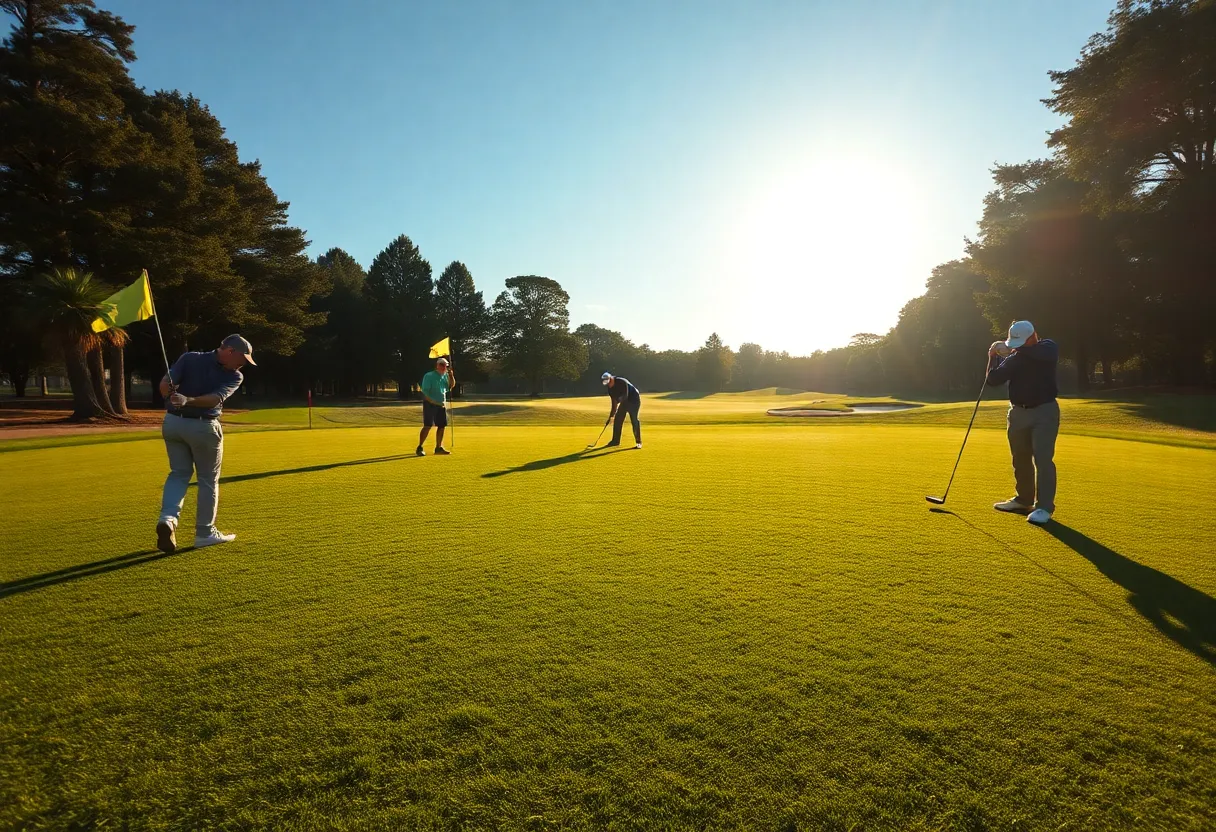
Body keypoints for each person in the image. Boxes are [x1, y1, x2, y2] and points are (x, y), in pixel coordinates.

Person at [156, 334, 255, 553]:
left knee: (179, 474)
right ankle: (205, 533)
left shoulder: (229, 373)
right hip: (203, 426)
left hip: (172, 424)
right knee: (208, 479)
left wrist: (182, 399)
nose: (242, 365)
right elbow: (167, 386)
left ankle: (168, 520)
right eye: (242, 359)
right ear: (228, 350)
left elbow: (166, 384)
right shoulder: (194, 359)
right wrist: (173, 395)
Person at [986, 320, 1059, 525]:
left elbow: (1042, 354)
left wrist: (1008, 348)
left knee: (1043, 460)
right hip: (1018, 413)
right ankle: (1023, 500)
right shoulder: (1015, 358)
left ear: (1032, 336)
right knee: (1020, 458)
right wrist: (993, 357)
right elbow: (993, 379)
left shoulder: (1048, 348)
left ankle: (1044, 507)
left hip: (1044, 412)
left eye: (1020, 342)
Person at [417, 356, 455, 456]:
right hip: (430, 404)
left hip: (441, 405)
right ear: (437, 366)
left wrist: (451, 376)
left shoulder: (446, 375)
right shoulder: (429, 376)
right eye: (441, 365)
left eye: (445, 365)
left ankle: (438, 447)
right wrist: (433, 402)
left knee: (441, 426)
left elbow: (451, 386)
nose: (443, 367)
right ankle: (420, 447)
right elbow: (425, 393)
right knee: (427, 426)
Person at [601, 371, 642, 449]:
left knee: (634, 420)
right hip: (624, 402)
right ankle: (615, 441)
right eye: (607, 384)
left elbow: (625, 396)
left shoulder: (622, 382)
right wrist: (611, 416)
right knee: (617, 420)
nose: (608, 385)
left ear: (611, 378)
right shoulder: (610, 390)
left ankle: (638, 442)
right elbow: (614, 404)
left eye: (609, 382)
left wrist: (618, 403)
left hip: (634, 400)